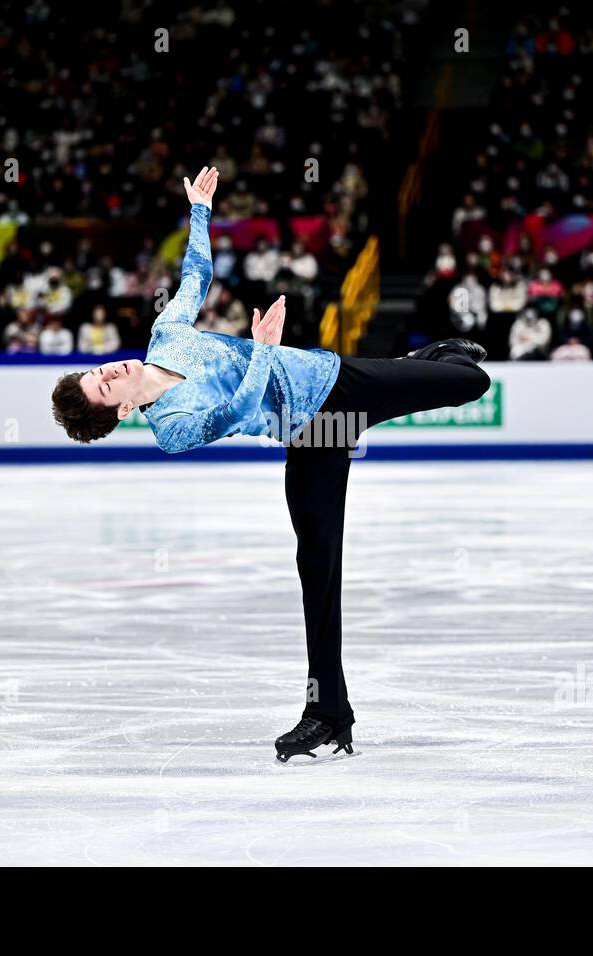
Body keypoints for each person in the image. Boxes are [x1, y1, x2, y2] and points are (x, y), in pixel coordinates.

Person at [50, 166, 492, 761]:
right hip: (310, 435)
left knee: (471, 378)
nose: (109, 373)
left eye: (98, 371)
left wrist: (201, 211)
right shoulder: (171, 430)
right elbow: (234, 413)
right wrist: (259, 351)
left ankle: (426, 356)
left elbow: (195, 277)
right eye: (104, 388)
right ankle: (328, 711)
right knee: (316, 564)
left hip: (334, 383)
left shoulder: (165, 335)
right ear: (121, 412)